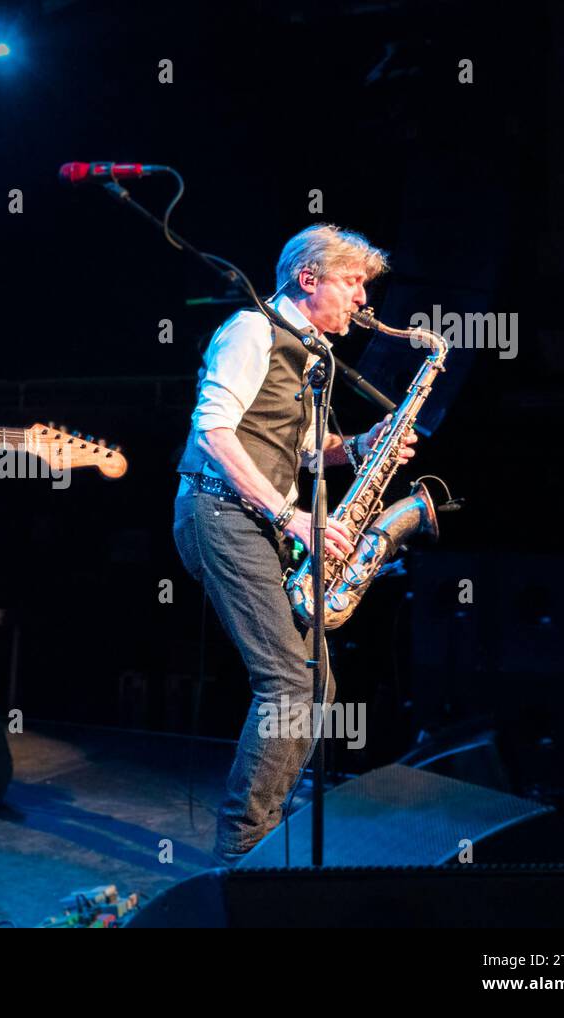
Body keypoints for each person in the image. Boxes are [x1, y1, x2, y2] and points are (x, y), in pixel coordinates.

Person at [172, 224, 416, 862]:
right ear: (309, 279)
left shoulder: (307, 356)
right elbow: (213, 432)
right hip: (217, 512)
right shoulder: (251, 331)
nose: (363, 299)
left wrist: (363, 446)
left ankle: (263, 830)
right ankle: (241, 850)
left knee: (315, 688)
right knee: (287, 683)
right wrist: (289, 515)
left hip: (254, 519)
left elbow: (304, 448)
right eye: (353, 281)